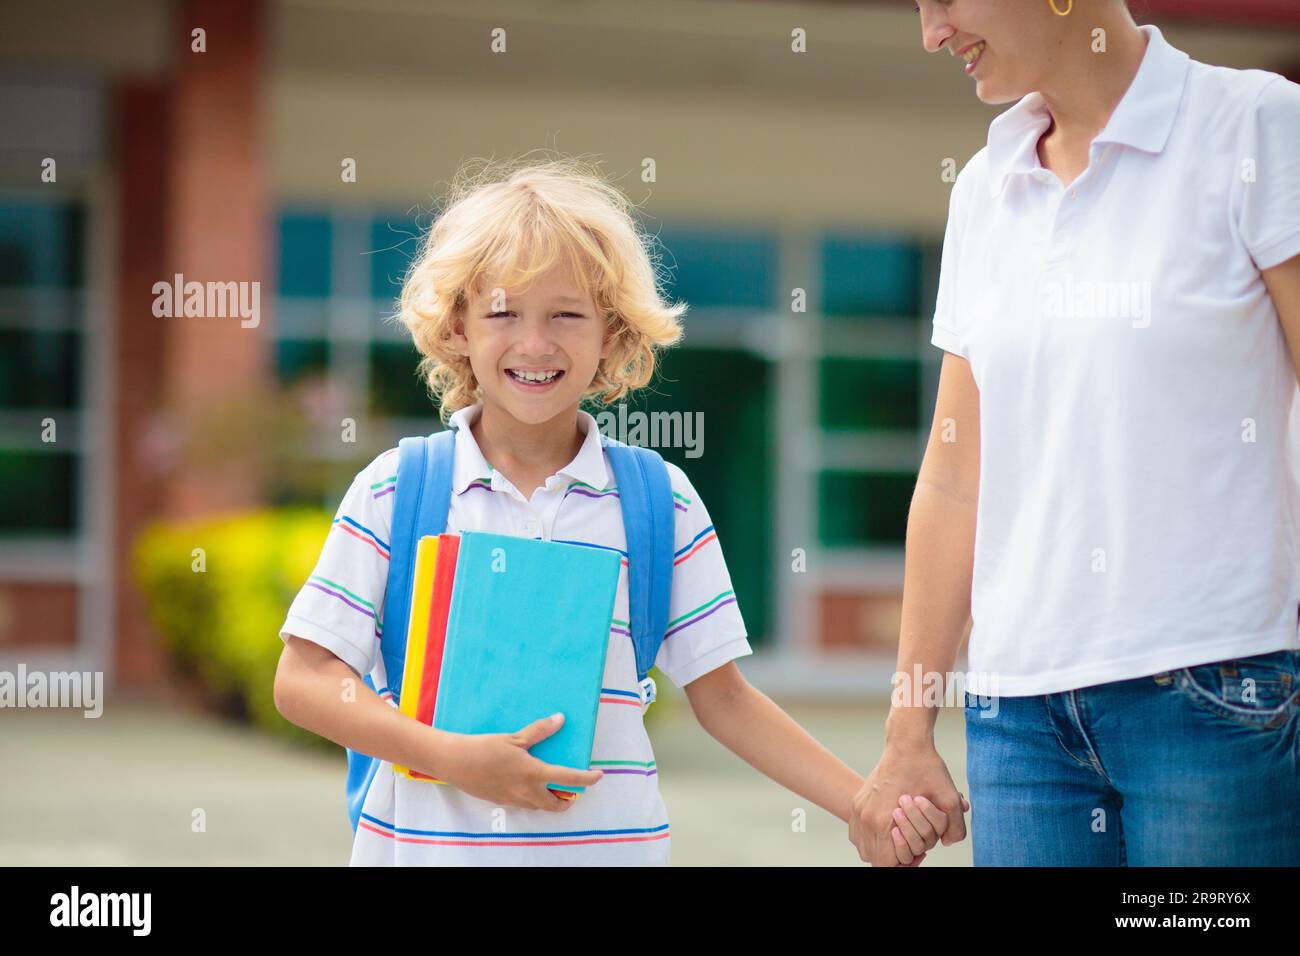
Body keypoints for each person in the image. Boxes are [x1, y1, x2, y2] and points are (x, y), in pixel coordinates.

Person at [273, 157, 943, 865]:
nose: (535, 343)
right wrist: (450, 756)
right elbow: (306, 678)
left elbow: (725, 699)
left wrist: (864, 803)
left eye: (567, 313)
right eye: (503, 312)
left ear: (614, 336)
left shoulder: (660, 503)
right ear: (459, 327)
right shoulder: (397, 491)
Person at [850, 1, 1300, 866]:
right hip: (1018, 722)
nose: (930, 33)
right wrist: (910, 729)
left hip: (1214, 695)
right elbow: (953, 479)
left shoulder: (1255, 126)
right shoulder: (986, 187)